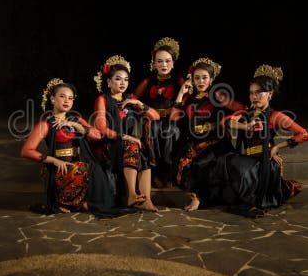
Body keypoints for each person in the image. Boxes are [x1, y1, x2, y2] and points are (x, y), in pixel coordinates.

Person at [21, 78, 133, 218]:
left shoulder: (76, 119)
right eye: (62, 96)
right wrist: (54, 161)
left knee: (96, 166)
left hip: (75, 166)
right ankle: (64, 202)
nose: (67, 101)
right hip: (58, 170)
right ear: (52, 99)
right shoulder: (46, 124)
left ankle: (81, 203)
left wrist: (74, 125)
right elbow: (26, 151)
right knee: (84, 168)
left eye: (70, 98)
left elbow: (98, 136)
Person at [213, 65, 308, 218]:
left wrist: (277, 147)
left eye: (259, 92)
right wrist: (246, 126)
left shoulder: (275, 116)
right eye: (252, 93)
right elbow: (226, 122)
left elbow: (304, 134)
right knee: (225, 160)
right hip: (249, 159)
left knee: (239, 167)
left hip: (264, 161)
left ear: (270, 94)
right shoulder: (246, 113)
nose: (254, 96)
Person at [170, 57, 246, 211]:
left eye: (204, 77)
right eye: (197, 78)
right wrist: (181, 93)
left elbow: (242, 109)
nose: (201, 81)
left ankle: (199, 199)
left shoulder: (217, 95)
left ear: (211, 79)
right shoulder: (189, 98)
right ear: (192, 80)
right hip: (196, 142)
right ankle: (196, 197)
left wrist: (230, 120)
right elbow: (173, 118)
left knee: (199, 164)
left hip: (215, 142)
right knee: (181, 164)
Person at [92, 55, 161, 211]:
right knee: (133, 145)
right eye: (118, 79)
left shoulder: (130, 98)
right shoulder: (102, 99)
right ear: (109, 82)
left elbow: (155, 117)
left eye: (126, 79)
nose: (123, 83)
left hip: (130, 142)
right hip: (111, 143)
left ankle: (146, 199)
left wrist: (139, 103)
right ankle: (131, 194)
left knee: (143, 151)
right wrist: (124, 137)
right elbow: (101, 128)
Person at [132, 37, 185, 189]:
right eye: (160, 61)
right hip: (153, 120)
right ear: (154, 62)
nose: (164, 65)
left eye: (167, 61)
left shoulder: (179, 80)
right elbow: (133, 99)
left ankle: (169, 173)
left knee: (169, 130)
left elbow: (186, 101)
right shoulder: (147, 81)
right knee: (153, 128)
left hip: (172, 120)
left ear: (173, 62)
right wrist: (143, 112)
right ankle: (154, 174)